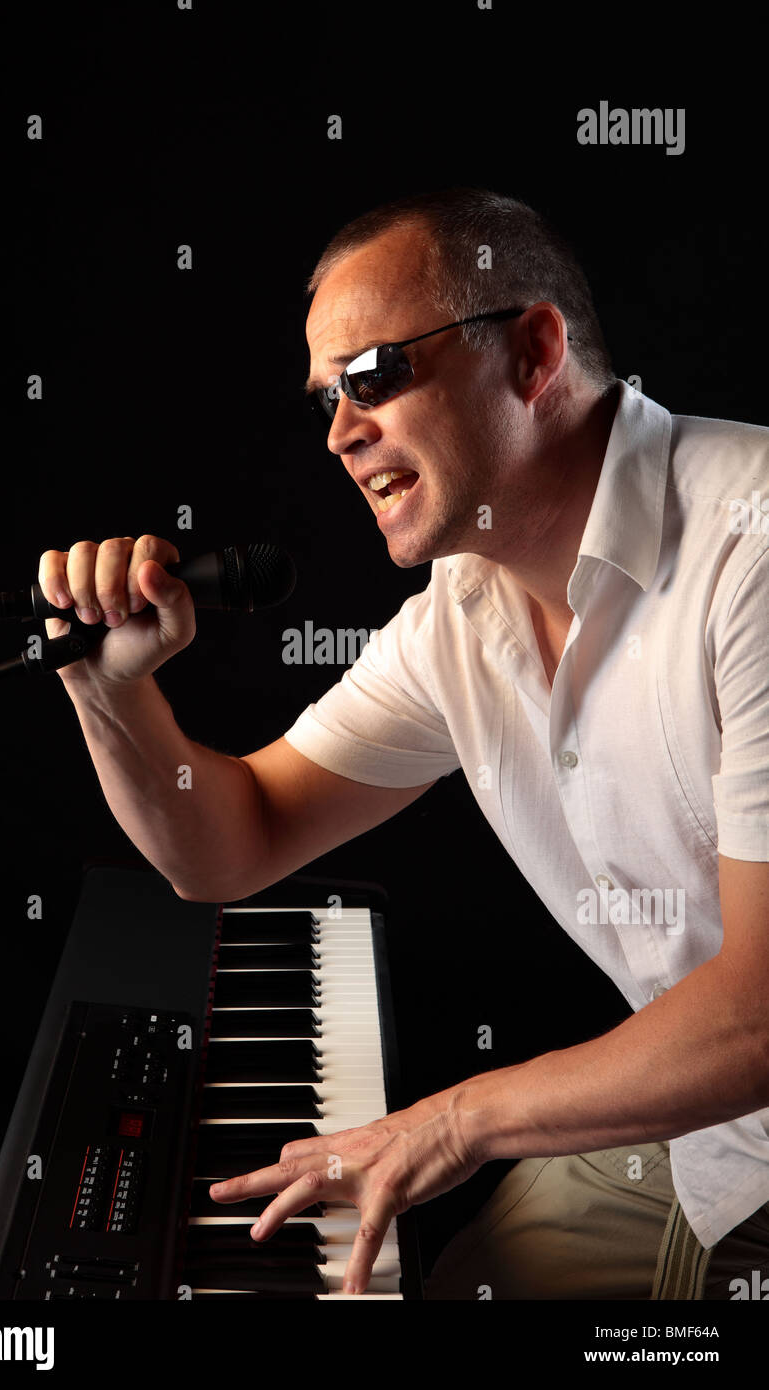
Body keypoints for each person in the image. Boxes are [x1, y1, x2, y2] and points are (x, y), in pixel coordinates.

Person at [38, 187, 769, 1300]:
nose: (339, 431)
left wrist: (454, 1123)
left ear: (530, 352)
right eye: (327, 397)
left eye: (373, 375)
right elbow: (226, 846)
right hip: (689, 1143)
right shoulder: (457, 616)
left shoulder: (748, 549)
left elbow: (758, 1017)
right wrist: (108, 690)